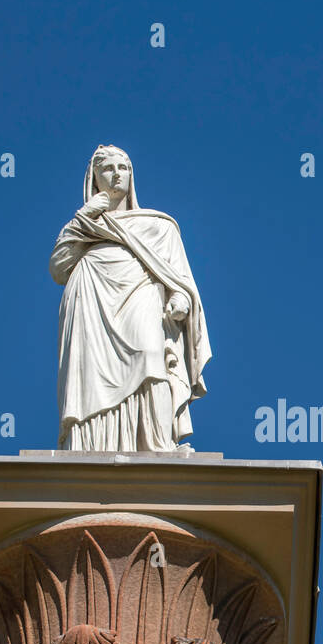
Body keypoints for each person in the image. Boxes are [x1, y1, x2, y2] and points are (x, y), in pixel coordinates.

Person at [49, 145, 212, 451]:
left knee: (152, 357)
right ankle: (89, 445)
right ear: (95, 179)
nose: (116, 175)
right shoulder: (86, 223)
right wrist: (85, 215)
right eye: (107, 169)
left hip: (141, 294)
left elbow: (181, 279)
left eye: (122, 168)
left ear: (131, 175)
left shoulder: (159, 226)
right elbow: (59, 267)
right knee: (88, 376)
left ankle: (156, 442)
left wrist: (181, 299)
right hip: (91, 298)